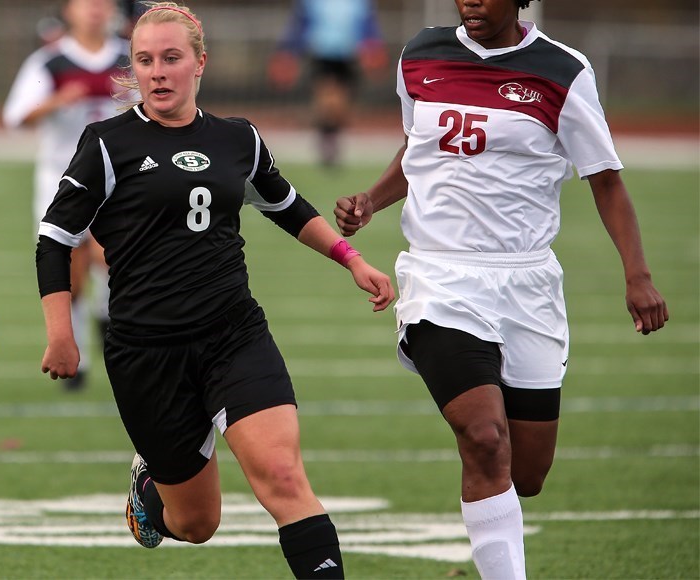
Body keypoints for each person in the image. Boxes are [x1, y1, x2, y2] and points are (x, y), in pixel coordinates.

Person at [36, 2, 395, 577]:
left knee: (283, 477)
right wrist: (63, 336)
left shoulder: (238, 138)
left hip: (234, 335)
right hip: (147, 354)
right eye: (145, 60)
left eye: (171, 58)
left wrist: (350, 258)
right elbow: (54, 240)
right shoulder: (107, 144)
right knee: (197, 525)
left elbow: (286, 205)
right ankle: (150, 491)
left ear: (199, 64)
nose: (158, 72)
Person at [333, 1, 669, 578]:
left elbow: (607, 181)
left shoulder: (563, 71)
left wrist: (636, 274)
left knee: (526, 474)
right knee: (485, 439)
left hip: (527, 283)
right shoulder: (421, 54)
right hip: (440, 276)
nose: (472, 2)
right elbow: (418, 148)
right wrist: (371, 199)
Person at [3, 0, 128, 391]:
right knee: (71, 268)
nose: (95, 8)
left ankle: (109, 324)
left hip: (117, 178)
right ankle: (78, 360)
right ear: (69, 10)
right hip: (62, 180)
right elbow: (16, 116)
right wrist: (57, 100)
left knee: (112, 259)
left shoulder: (130, 57)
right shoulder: (49, 61)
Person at [268, 0, 388, 167]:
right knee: (327, 100)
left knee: (341, 107)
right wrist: (289, 53)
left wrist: (374, 49)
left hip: (348, 56)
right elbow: (299, 26)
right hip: (322, 55)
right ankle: (326, 137)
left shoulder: (360, 3)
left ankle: (331, 134)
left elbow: (368, 26)